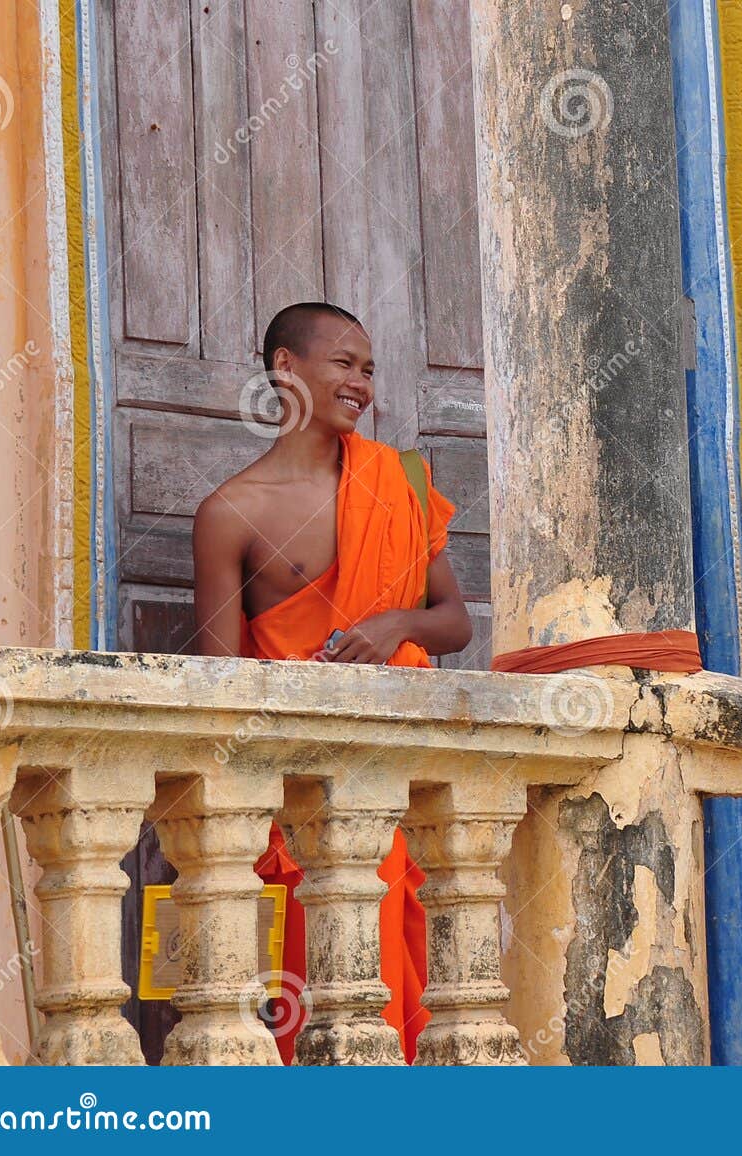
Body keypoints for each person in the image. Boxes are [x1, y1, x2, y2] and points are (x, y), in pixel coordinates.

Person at [193, 301, 471, 1062]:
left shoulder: (401, 482)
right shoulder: (229, 513)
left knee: (419, 979)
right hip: (299, 785)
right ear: (286, 368)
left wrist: (396, 626)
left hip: (403, 773)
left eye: (370, 369)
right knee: (309, 986)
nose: (362, 383)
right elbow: (222, 682)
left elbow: (455, 623)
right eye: (344, 364)